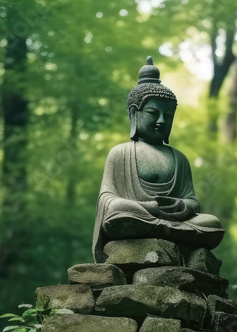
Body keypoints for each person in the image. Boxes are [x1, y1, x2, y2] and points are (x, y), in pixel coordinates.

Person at [92, 57, 225, 262]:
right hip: (138, 213)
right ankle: (169, 230)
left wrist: (183, 206)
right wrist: (151, 208)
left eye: (168, 115)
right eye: (153, 113)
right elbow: (107, 199)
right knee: (117, 210)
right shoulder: (120, 153)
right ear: (134, 113)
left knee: (211, 223)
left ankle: (159, 227)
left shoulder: (179, 158)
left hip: (170, 219)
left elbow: (192, 200)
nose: (162, 120)